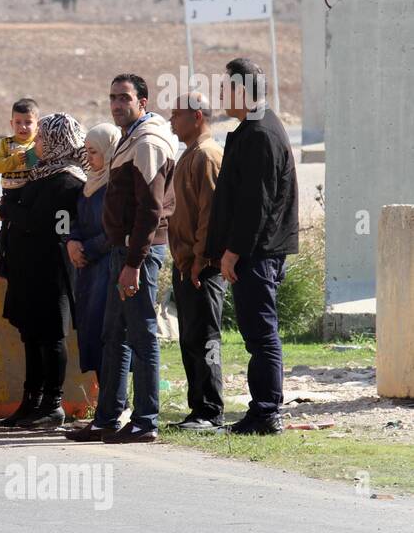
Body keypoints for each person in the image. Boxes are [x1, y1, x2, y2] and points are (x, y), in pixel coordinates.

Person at [67, 73, 176, 444]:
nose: (116, 105)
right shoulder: (129, 138)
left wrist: (133, 263)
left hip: (137, 254)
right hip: (123, 252)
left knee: (142, 334)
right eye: (112, 97)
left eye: (124, 98)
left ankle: (146, 420)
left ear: (142, 102)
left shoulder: (147, 142)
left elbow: (149, 209)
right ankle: (107, 418)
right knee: (114, 335)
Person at [206, 58, 298, 436]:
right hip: (254, 251)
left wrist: (234, 251)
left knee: (262, 335)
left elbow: (255, 205)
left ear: (243, 91)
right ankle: (261, 410)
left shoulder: (261, 132)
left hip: (259, 253)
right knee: (256, 334)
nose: (221, 95)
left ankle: (266, 413)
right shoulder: (249, 128)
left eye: (226, 88)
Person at [0, 113, 87, 428]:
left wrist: (10, 209)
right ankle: (31, 401)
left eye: (42, 139)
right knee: (32, 336)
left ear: (55, 142)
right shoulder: (43, 174)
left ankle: (52, 403)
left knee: (50, 337)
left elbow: (44, 224)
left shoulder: (68, 180)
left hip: (53, 272)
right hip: (30, 269)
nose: (36, 144)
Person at [168, 91, 226, 431]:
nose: (172, 120)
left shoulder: (207, 155)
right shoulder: (188, 155)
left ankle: (211, 410)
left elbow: (211, 215)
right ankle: (197, 408)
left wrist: (200, 260)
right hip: (185, 265)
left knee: (206, 338)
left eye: (178, 114)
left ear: (198, 117)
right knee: (190, 337)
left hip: (202, 268)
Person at [66, 122, 121, 396]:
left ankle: (117, 403)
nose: (89, 159)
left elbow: (116, 230)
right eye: (86, 152)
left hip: (107, 266)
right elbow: (77, 219)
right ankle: (105, 405)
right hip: (88, 271)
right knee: (91, 331)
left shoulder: (116, 185)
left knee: (108, 334)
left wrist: (86, 248)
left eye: (95, 152)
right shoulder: (90, 182)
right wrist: (72, 241)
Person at [0, 98, 39, 278]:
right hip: (10, 193)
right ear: (11, 123)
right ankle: (2, 263)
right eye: (18, 122)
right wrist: (13, 160)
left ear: (37, 124)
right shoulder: (6, 143)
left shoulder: (37, 144)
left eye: (28, 122)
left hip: (29, 193)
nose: (23, 127)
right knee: (6, 227)